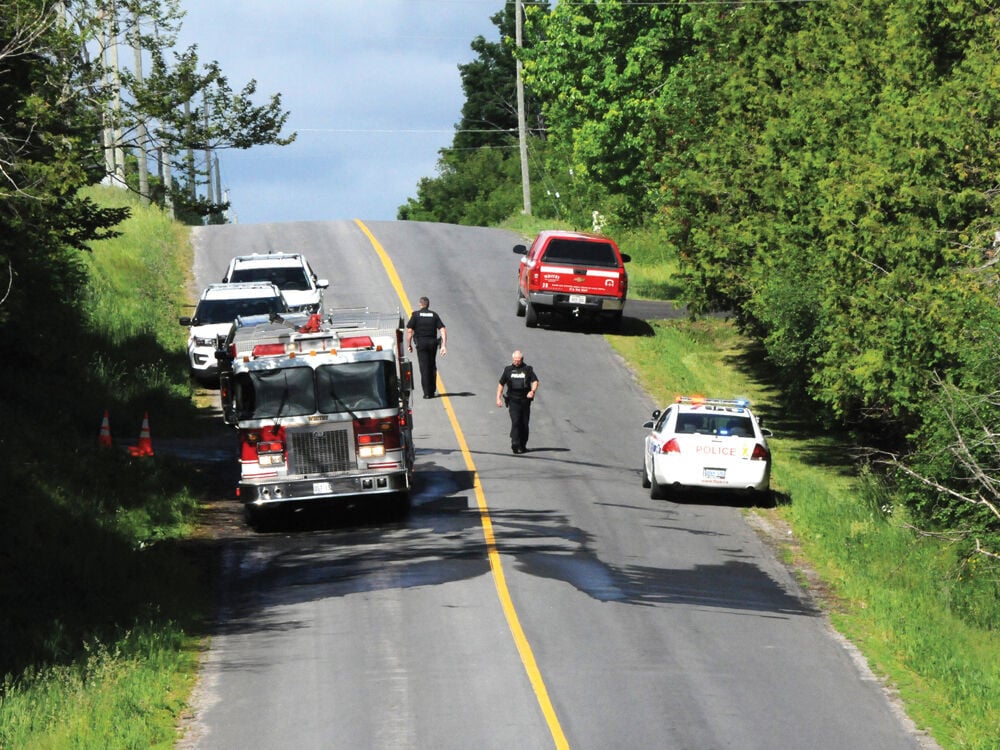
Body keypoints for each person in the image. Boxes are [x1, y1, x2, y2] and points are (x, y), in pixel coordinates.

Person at [496, 350, 539, 454]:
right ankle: (514, 442)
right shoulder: (508, 370)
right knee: (515, 421)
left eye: (518, 360)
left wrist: (532, 391)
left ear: (522, 359)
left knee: (524, 424)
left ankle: (522, 445)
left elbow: (535, 381)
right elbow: (501, 384)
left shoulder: (528, 369)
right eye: (515, 360)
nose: (516, 362)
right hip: (513, 400)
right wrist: (498, 398)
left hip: (525, 401)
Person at [406, 296, 447, 398]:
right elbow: (442, 329)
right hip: (433, 343)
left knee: (424, 368)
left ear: (420, 305)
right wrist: (443, 346)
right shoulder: (434, 315)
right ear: (428, 305)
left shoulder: (415, 315)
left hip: (422, 344)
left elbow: (410, 332)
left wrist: (409, 345)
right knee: (432, 366)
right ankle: (432, 390)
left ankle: (427, 393)